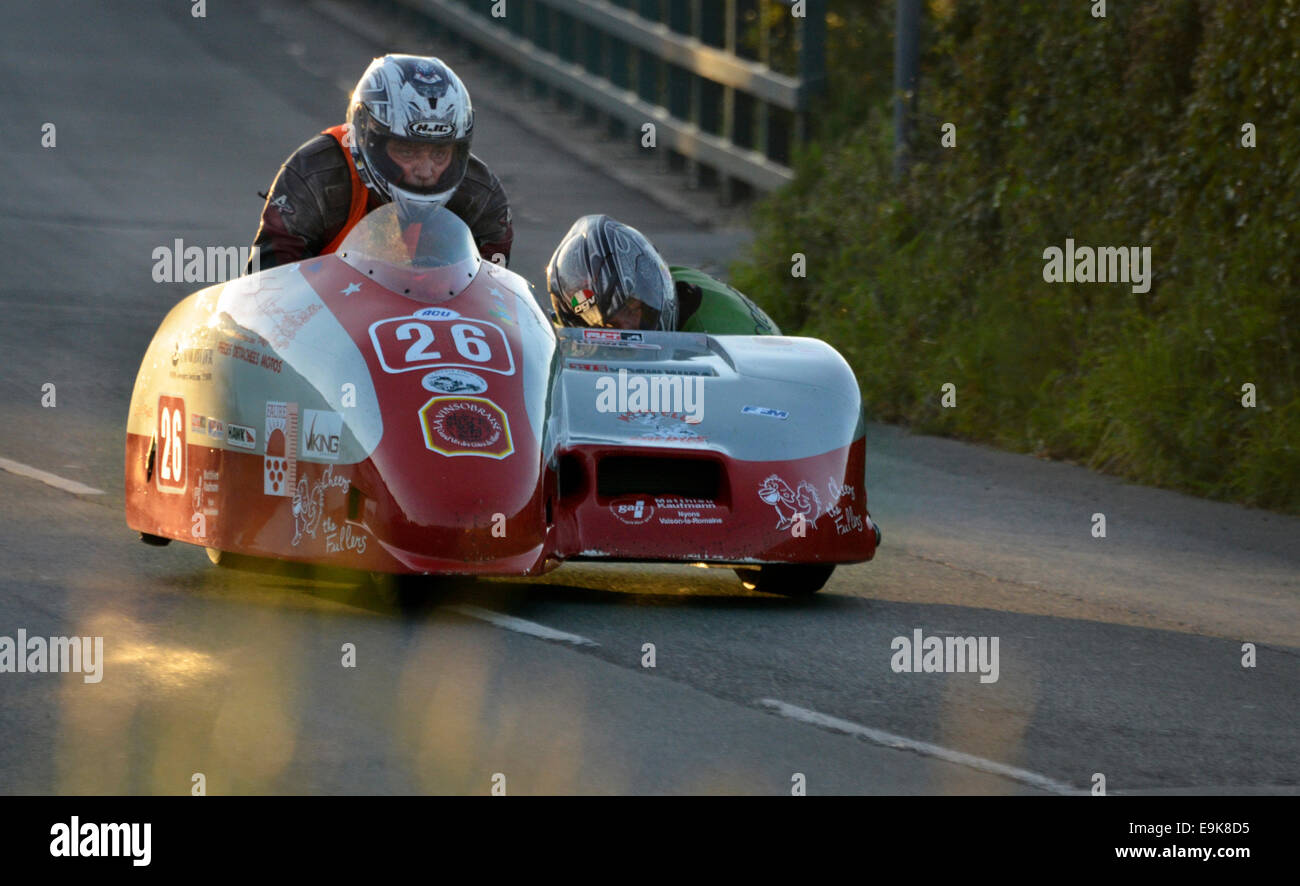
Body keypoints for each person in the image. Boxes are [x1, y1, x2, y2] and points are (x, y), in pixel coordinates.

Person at [247, 54, 513, 274]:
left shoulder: (481, 195)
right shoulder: (315, 173)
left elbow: (498, 306)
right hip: (324, 329)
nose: (425, 170)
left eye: (439, 154)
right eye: (407, 151)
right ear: (367, 138)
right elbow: (264, 289)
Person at [545, 215, 780, 335]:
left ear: (651, 282)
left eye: (630, 308)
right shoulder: (669, 278)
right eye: (607, 326)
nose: (628, 330)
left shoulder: (721, 335)